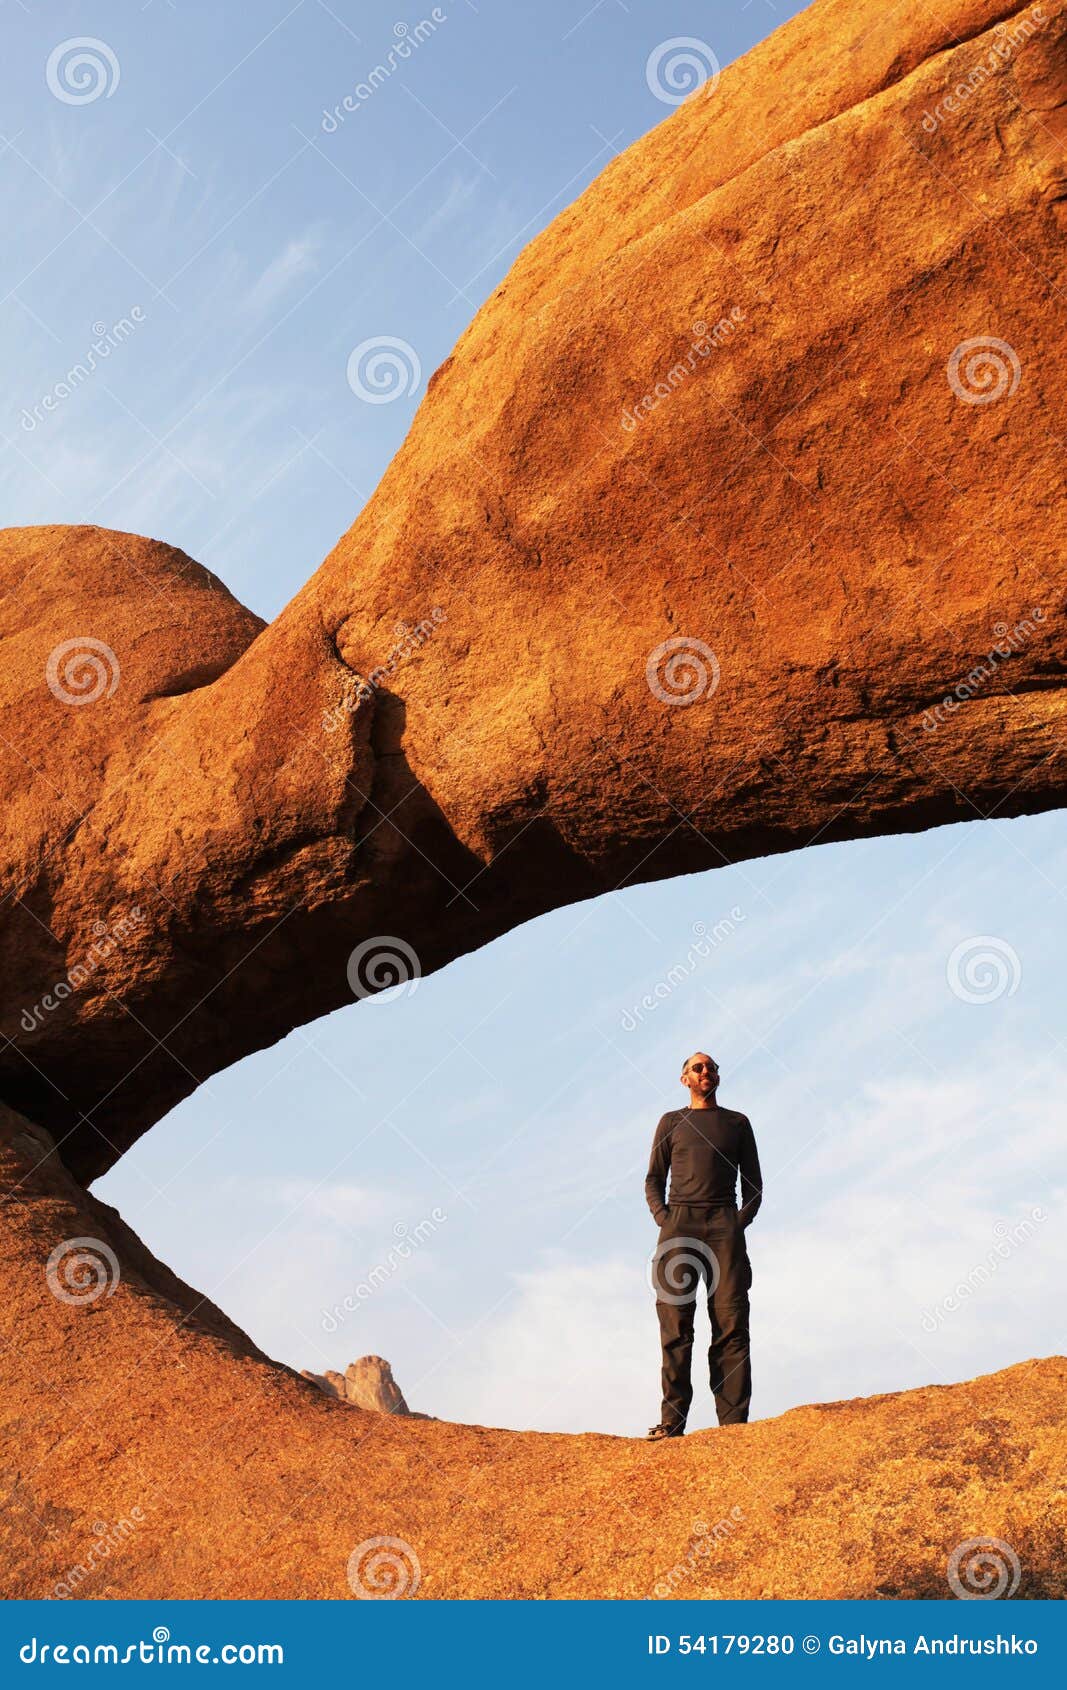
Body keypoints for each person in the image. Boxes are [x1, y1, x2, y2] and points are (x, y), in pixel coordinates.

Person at [644, 1051, 762, 1440]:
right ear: (684, 1079)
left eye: (711, 1067)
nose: (705, 1071)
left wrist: (734, 1223)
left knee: (730, 1323)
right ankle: (671, 1423)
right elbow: (653, 1180)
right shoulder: (671, 1122)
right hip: (679, 1226)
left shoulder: (737, 1123)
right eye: (697, 1067)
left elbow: (754, 1187)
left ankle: (732, 1426)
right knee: (675, 1325)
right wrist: (666, 1219)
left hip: (723, 1225)